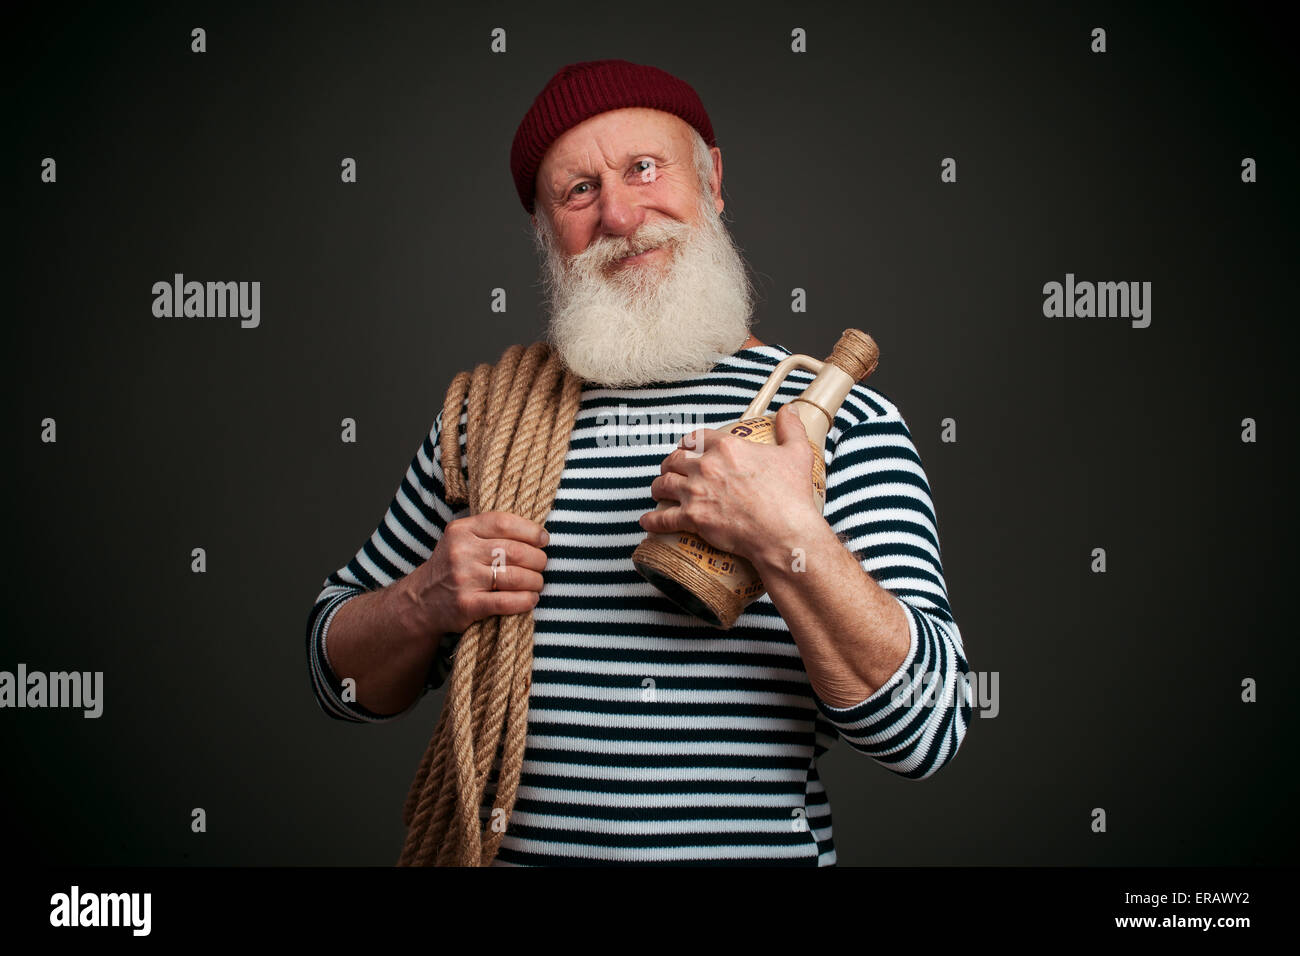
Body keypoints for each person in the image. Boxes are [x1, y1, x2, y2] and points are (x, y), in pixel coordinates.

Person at [306, 59, 970, 865]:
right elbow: (334, 680)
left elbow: (929, 730)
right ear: (546, 228)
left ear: (712, 179)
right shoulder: (486, 418)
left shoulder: (839, 425)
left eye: (643, 169)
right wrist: (419, 602)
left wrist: (789, 536)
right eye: (577, 191)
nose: (619, 215)